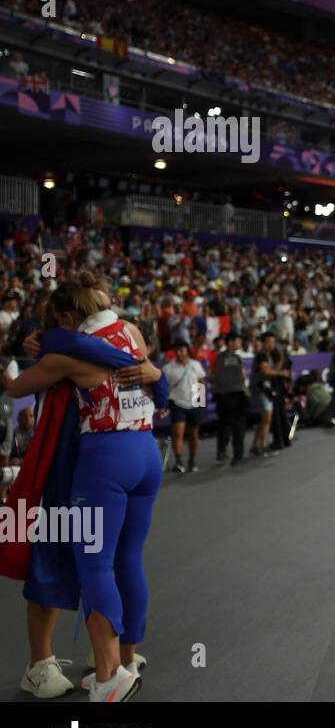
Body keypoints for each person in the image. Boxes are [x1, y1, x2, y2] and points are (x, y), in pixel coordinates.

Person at [0, 274, 164, 702]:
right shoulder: (132, 331)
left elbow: (17, 387)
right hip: (147, 450)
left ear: (69, 319)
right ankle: (125, 658)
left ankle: (110, 676)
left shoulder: (69, 353)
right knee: (129, 560)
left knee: (93, 567)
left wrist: (30, 352)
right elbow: (154, 381)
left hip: (104, 459)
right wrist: (49, 338)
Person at [163, 340, 206, 475]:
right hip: (177, 403)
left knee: (194, 434)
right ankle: (179, 461)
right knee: (178, 433)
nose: (179, 352)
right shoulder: (168, 368)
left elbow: (201, 381)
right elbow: (163, 387)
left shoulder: (195, 365)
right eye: (177, 350)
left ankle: (192, 460)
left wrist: (200, 400)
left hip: (194, 402)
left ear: (187, 351)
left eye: (182, 349)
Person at [212, 332, 249, 466]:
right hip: (234, 396)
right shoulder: (233, 358)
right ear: (231, 342)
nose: (239, 343)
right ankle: (237, 455)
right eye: (238, 341)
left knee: (224, 425)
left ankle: (222, 451)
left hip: (223, 396)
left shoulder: (220, 357)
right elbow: (241, 377)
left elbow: (213, 376)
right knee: (237, 426)